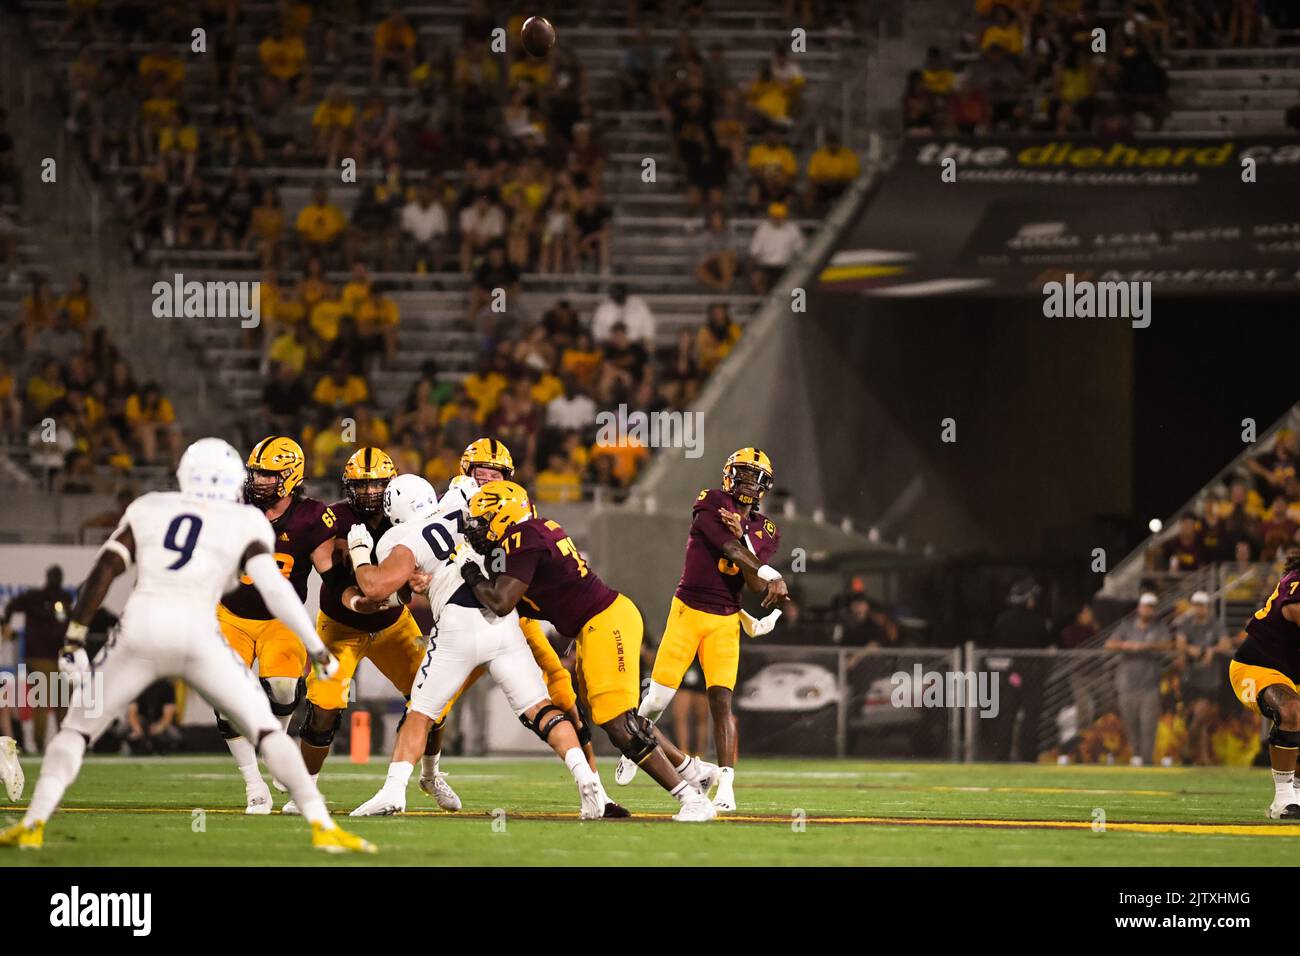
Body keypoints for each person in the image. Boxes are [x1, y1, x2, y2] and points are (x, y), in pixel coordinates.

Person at [0, 438, 373, 853]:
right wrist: (316, 648)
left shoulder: (150, 506)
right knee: (266, 731)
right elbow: (275, 588)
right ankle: (322, 825)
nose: (257, 482)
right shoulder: (242, 520)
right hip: (198, 633)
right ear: (234, 478)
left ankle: (33, 824)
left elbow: (106, 567)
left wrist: (74, 636)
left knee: (76, 729)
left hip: (140, 631)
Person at [343, 473, 606, 820]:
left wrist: (360, 552)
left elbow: (375, 589)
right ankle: (586, 779)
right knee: (540, 708)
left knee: (420, 711)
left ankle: (393, 791)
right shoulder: (462, 506)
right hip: (503, 621)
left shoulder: (400, 537)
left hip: (458, 624)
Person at [461, 481, 718, 820]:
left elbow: (501, 601)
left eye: (484, 519)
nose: (478, 528)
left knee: (619, 726)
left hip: (605, 622)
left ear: (504, 514)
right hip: (597, 623)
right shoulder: (532, 534)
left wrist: (470, 573)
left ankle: (692, 799)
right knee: (620, 720)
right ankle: (692, 770)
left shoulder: (522, 538)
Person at [614, 448, 788, 812]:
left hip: (725, 619)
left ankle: (726, 784)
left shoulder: (765, 529)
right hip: (688, 611)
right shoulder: (711, 501)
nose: (747, 484)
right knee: (658, 699)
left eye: (755, 478)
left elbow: (754, 585)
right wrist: (766, 567)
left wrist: (748, 542)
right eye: (742, 474)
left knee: (722, 703)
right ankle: (634, 749)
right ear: (728, 475)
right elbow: (726, 546)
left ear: (764, 488)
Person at [216, 437, 339, 813]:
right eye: (256, 474)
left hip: (281, 619)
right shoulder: (233, 505)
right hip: (230, 615)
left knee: (285, 690)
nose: (259, 482)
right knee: (225, 699)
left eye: (269, 475)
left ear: (290, 477)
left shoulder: (311, 517)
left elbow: (330, 573)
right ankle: (254, 784)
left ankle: (276, 750)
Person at [1228, 550, 1300, 817]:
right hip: (1257, 667)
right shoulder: (1296, 583)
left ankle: (1296, 798)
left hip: (1292, 675)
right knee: (1291, 710)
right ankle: (1282, 799)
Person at [1, 566, 73, 752]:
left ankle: (55, 744)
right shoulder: (40, 597)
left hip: (53, 657)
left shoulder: (61, 598)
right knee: (50, 702)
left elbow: (11, 606)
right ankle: (45, 744)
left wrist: (6, 624)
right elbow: (11, 606)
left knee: (57, 702)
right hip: (44, 657)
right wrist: (6, 625)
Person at [1105, 592, 1175, 767]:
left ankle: (1146, 759)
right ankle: (1136, 756)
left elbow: (1168, 645)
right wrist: (1126, 645)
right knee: (1131, 723)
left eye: (1151, 607)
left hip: (1150, 684)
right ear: (1139, 608)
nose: (1148, 610)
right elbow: (1109, 644)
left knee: (1148, 725)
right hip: (1126, 683)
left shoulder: (1159, 628)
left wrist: (1146, 646)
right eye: (1146, 606)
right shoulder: (1127, 626)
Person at [1175, 591, 1232, 766]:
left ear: (1207, 607)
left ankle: (1189, 749)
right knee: (1199, 720)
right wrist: (1191, 650)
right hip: (1190, 679)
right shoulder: (1186, 624)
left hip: (1209, 680)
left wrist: (1211, 650)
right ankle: (1201, 757)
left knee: (1200, 716)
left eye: (1202, 605)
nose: (1199, 608)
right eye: (1196, 604)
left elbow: (1226, 644)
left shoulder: (1215, 624)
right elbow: (1180, 643)